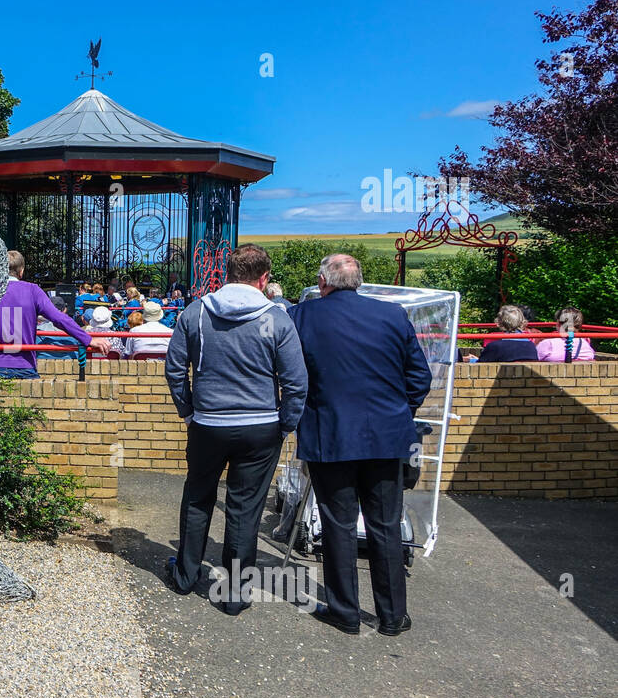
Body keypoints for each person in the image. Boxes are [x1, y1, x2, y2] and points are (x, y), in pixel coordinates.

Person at [290, 254, 430, 636]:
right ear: (360, 281)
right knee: (385, 525)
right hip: (387, 437)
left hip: (330, 434)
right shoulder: (393, 316)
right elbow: (419, 376)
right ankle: (392, 616)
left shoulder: (300, 316)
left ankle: (345, 612)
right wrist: (398, 411)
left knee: (338, 524)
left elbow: (290, 376)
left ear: (323, 282)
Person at [165, 243, 308, 615]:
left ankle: (185, 576)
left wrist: (188, 412)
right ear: (264, 278)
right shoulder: (277, 319)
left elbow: (175, 368)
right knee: (245, 510)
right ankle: (233, 595)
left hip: (208, 424)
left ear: (227, 273)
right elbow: (295, 381)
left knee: (198, 499)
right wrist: (285, 423)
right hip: (260, 427)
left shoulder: (195, 313)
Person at [0, 251, 107, 377]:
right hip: (23, 365)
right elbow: (58, 318)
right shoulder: (32, 290)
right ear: (21, 271)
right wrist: (88, 339)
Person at [466, 304, 537, 363]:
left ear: (500, 322)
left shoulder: (495, 346)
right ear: (521, 321)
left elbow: (482, 365)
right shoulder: (531, 346)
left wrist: (471, 360)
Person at [36, 294, 82, 360]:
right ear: (64, 310)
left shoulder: (39, 330)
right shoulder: (75, 329)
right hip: (71, 365)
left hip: (42, 365)